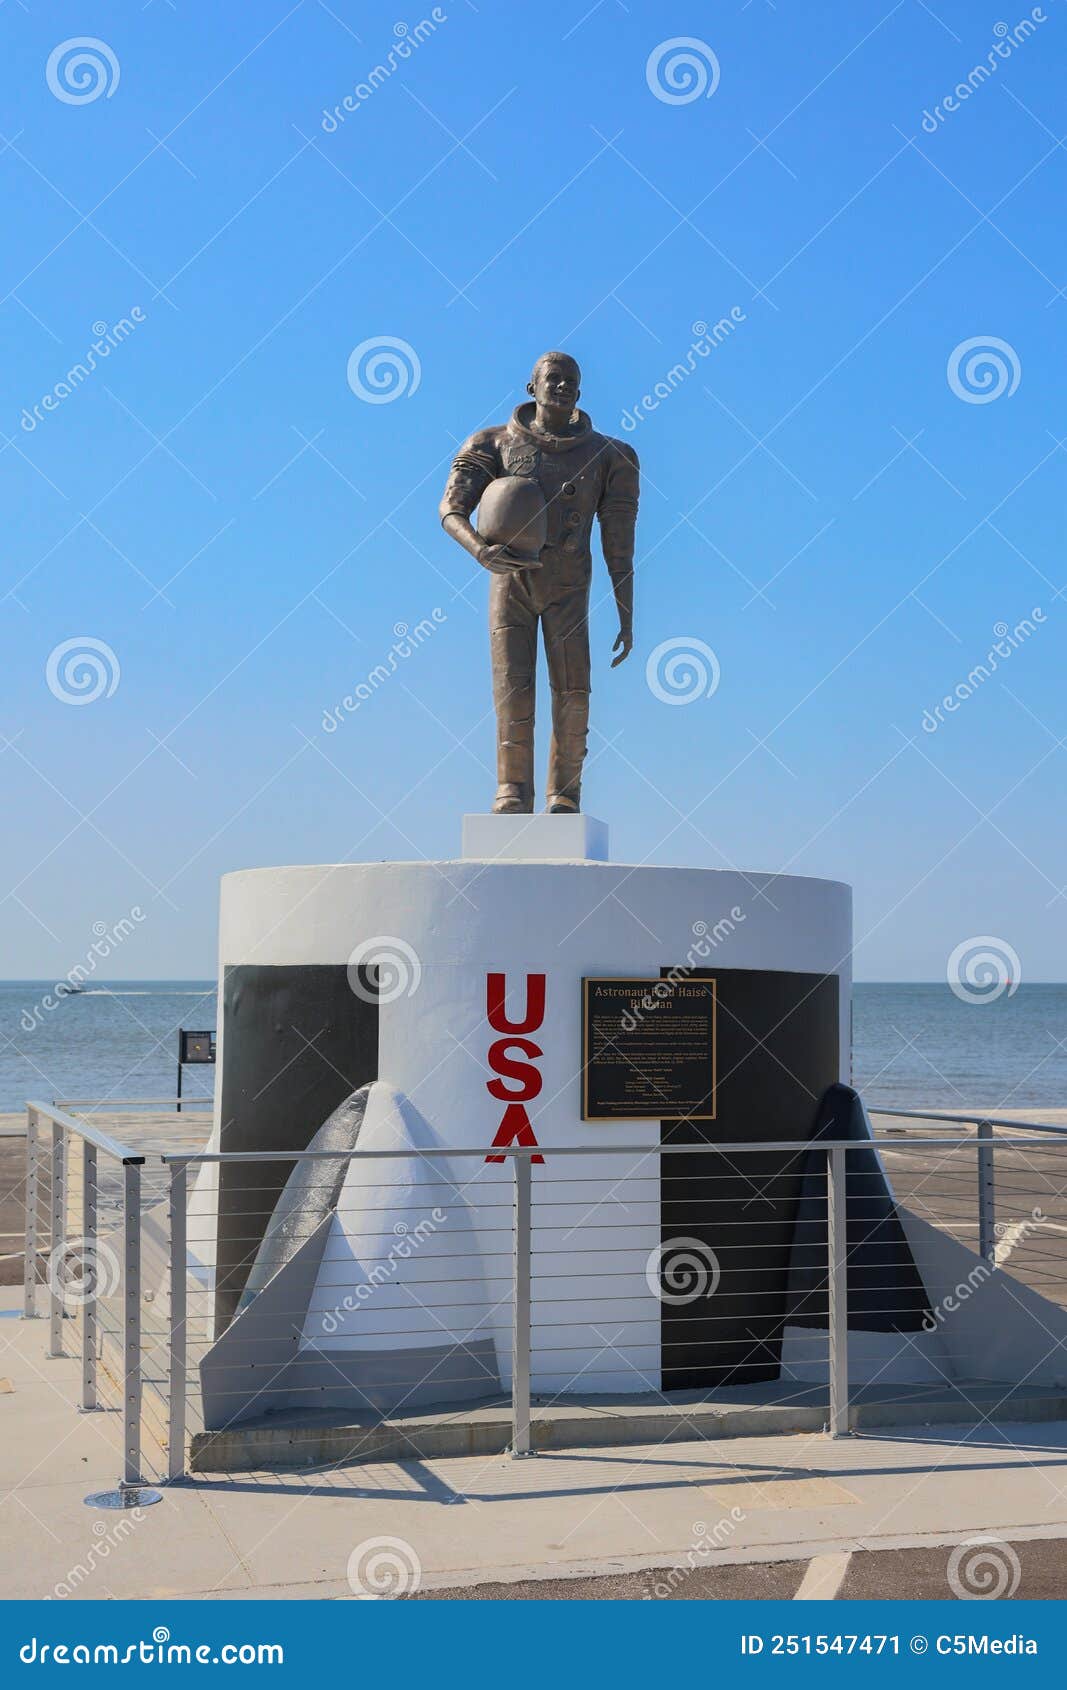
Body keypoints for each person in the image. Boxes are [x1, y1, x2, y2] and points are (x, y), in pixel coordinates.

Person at [439, 351, 639, 814]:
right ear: (532, 386)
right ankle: (512, 789)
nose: (563, 385)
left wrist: (626, 614)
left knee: (573, 693)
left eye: (572, 379)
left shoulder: (610, 456)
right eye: (554, 377)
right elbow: (451, 509)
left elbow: (619, 544)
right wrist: (479, 549)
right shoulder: (492, 443)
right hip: (510, 583)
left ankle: (565, 793)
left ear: (580, 391)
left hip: (569, 587)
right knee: (513, 690)